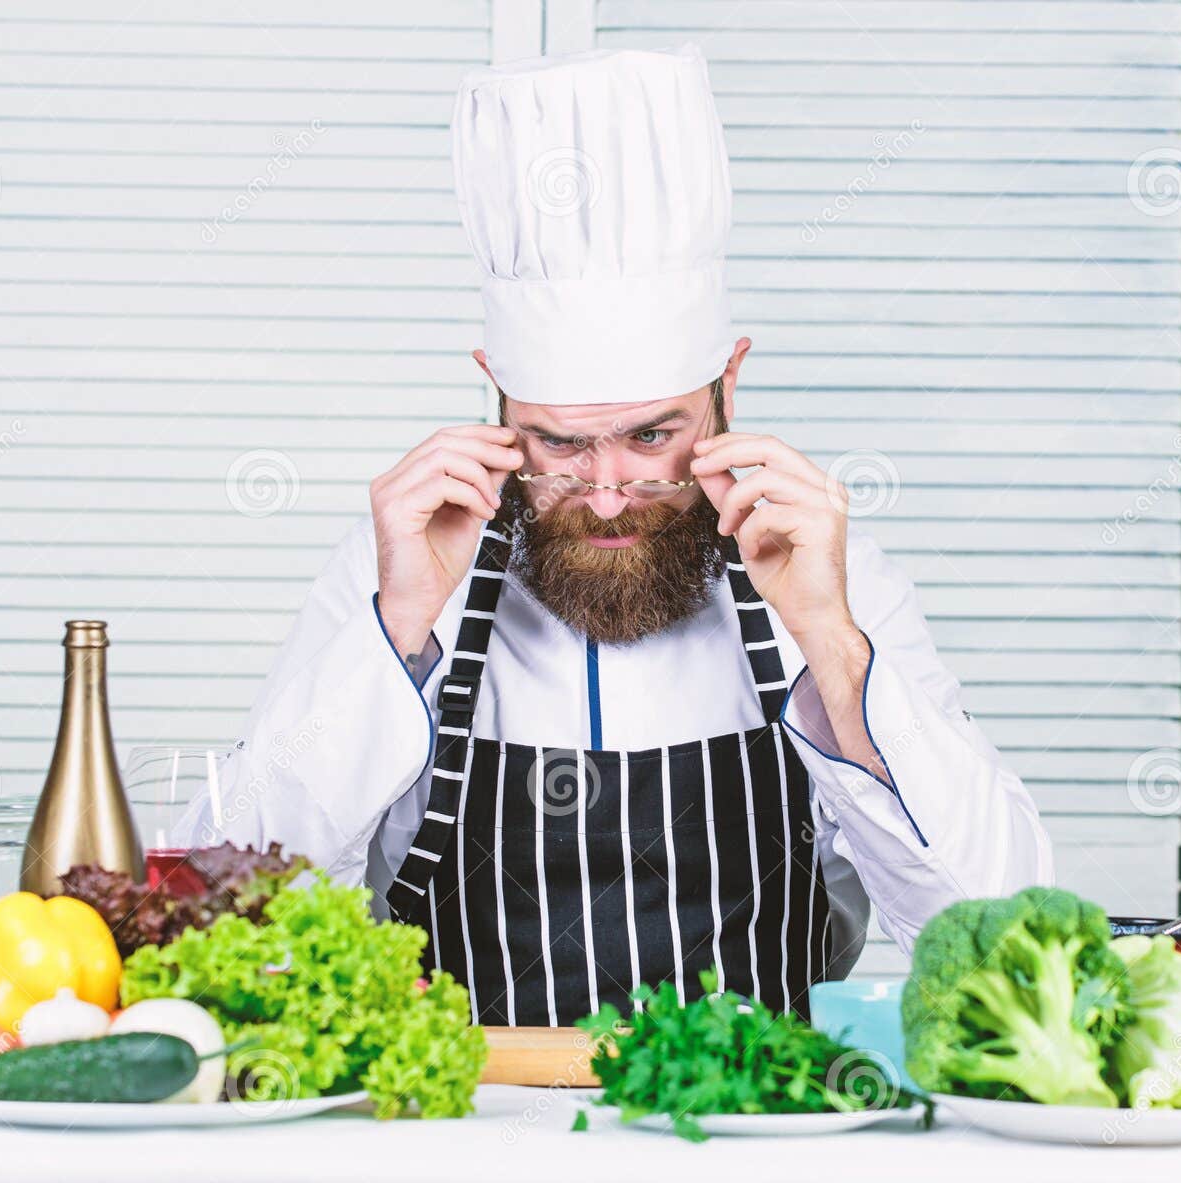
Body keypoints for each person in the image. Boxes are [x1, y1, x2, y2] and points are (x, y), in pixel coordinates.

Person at [183, 45, 1052, 1026]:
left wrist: (837, 652)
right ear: (495, 396)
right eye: (557, 441)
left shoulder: (823, 578)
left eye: (651, 436)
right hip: (455, 1145)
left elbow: (998, 926)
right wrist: (393, 635)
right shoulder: (403, 569)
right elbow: (223, 913)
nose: (604, 495)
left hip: (753, 1140)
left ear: (730, 384)